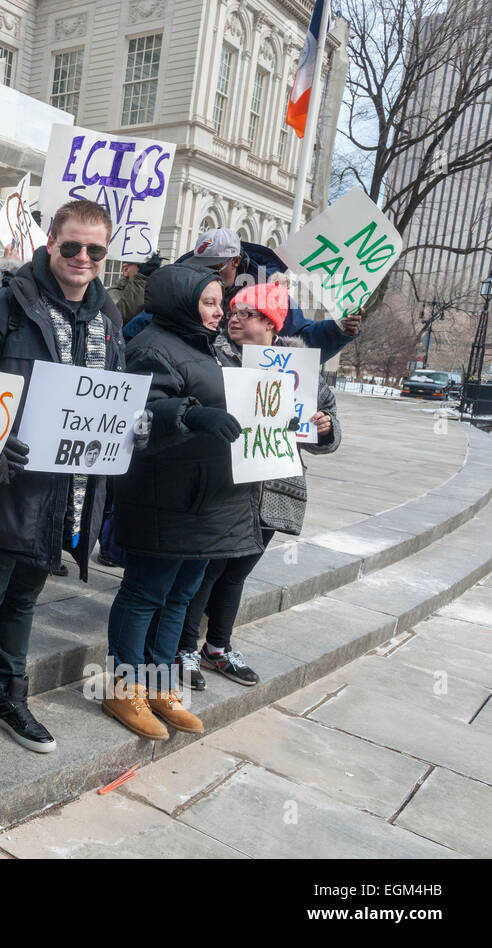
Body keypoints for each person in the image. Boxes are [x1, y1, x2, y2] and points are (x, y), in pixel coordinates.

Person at [0, 199, 126, 770]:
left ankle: (8, 696)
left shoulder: (109, 320)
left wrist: (123, 434)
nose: (83, 258)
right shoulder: (0, 312)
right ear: (51, 243)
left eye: (96, 249)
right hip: (3, 488)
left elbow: (115, 401)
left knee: (24, 596)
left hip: (68, 492)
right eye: (72, 246)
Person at [102, 264, 264, 741]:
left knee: (181, 596)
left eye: (221, 302)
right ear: (181, 300)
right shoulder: (152, 346)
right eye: (210, 302)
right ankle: (123, 687)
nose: (220, 311)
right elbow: (140, 415)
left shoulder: (208, 345)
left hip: (213, 499)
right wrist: (192, 415)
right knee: (145, 593)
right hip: (165, 498)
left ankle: (159, 685)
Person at [175, 282, 341, 690]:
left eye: (245, 313)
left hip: (274, 490)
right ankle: (184, 649)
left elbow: (329, 436)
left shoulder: (302, 371)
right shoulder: (214, 359)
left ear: (271, 323)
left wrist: (324, 427)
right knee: (208, 570)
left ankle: (218, 646)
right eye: (232, 311)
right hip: (227, 485)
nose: (233, 317)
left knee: (236, 573)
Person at [124, 229, 362, 358]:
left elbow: (301, 339)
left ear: (235, 261)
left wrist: (339, 330)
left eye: (214, 266)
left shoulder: (269, 293)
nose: (205, 273)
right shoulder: (181, 291)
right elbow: (141, 330)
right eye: (199, 265)